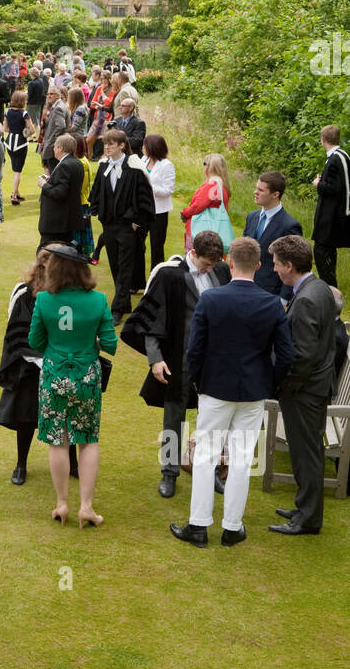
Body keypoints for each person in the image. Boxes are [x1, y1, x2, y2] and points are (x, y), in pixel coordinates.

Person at [171, 236, 295, 548]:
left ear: (228, 261)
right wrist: (270, 384)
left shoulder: (211, 300)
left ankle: (199, 525)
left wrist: (199, 382)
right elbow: (286, 355)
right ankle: (232, 526)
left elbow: (194, 349)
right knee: (240, 459)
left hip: (215, 388)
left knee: (205, 456)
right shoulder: (271, 303)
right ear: (257, 265)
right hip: (253, 391)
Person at [121, 230, 230, 498]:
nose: (210, 269)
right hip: (179, 359)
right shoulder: (169, 276)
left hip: (215, 361)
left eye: (214, 265)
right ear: (193, 253)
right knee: (174, 418)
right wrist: (155, 359)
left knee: (216, 418)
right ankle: (169, 473)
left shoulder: (222, 272)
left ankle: (215, 470)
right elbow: (151, 322)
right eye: (206, 264)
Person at [27, 243, 116, 527]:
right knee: (88, 439)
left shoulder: (43, 300)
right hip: (87, 376)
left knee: (58, 440)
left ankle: (62, 504)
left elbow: (35, 342)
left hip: (53, 376)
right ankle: (86, 507)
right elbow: (111, 344)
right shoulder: (99, 300)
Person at [268, 234, 337, 537]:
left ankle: (308, 519)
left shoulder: (307, 297)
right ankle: (303, 506)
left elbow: (303, 355)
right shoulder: (317, 287)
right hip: (314, 387)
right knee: (303, 452)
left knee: (307, 454)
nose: (273, 270)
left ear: (289, 265)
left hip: (306, 392)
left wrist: (286, 387)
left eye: (276, 264)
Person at [0, 251, 53, 486]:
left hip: (62, 363)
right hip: (30, 366)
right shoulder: (26, 294)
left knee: (68, 415)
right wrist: (40, 359)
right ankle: (21, 463)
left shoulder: (73, 294)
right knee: (26, 415)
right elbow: (17, 334)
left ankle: (73, 461)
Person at [89, 129, 156, 324]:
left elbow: (145, 198)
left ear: (121, 145)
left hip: (128, 226)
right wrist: (97, 211)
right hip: (109, 225)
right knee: (115, 266)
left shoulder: (135, 169)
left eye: (111, 144)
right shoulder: (103, 167)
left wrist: (136, 223)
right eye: (106, 144)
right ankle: (124, 303)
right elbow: (97, 192)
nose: (107, 147)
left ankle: (117, 309)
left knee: (126, 267)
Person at [239, 170, 302, 298]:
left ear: (275, 194)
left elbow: (294, 265)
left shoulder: (289, 226)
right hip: (245, 287)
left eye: (261, 190)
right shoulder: (252, 217)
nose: (255, 192)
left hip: (270, 293)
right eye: (256, 188)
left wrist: (284, 298)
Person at [311, 125, 350, 288]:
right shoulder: (342, 155)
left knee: (321, 252)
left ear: (323, 140)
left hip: (331, 218)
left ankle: (329, 290)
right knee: (327, 252)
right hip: (334, 216)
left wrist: (318, 184)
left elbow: (335, 189)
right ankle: (329, 288)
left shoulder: (335, 158)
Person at [37, 133, 84, 249]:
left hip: (57, 222)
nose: (53, 149)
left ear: (60, 148)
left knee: (45, 252)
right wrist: (51, 180)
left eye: (55, 146)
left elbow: (59, 193)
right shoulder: (77, 162)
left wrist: (44, 185)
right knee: (62, 253)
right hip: (67, 220)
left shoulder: (65, 165)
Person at [181, 153, 232, 254]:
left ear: (209, 167)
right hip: (215, 229)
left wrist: (185, 213)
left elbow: (198, 205)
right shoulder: (222, 186)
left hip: (200, 230)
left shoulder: (212, 185)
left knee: (194, 258)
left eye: (205, 164)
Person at [142, 134, 175, 270]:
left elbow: (168, 190)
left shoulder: (167, 165)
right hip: (142, 208)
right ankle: (138, 280)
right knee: (138, 244)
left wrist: (149, 186)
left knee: (157, 246)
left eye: (145, 145)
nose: (143, 148)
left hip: (159, 211)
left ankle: (156, 276)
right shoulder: (143, 159)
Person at [4, 90, 33, 205]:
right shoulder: (24, 113)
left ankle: (17, 192)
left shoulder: (7, 112)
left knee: (15, 169)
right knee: (18, 171)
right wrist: (24, 134)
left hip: (9, 142)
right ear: (22, 101)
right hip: (20, 143)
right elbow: (31, 130)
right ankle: (14, 195)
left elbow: (5, 129)